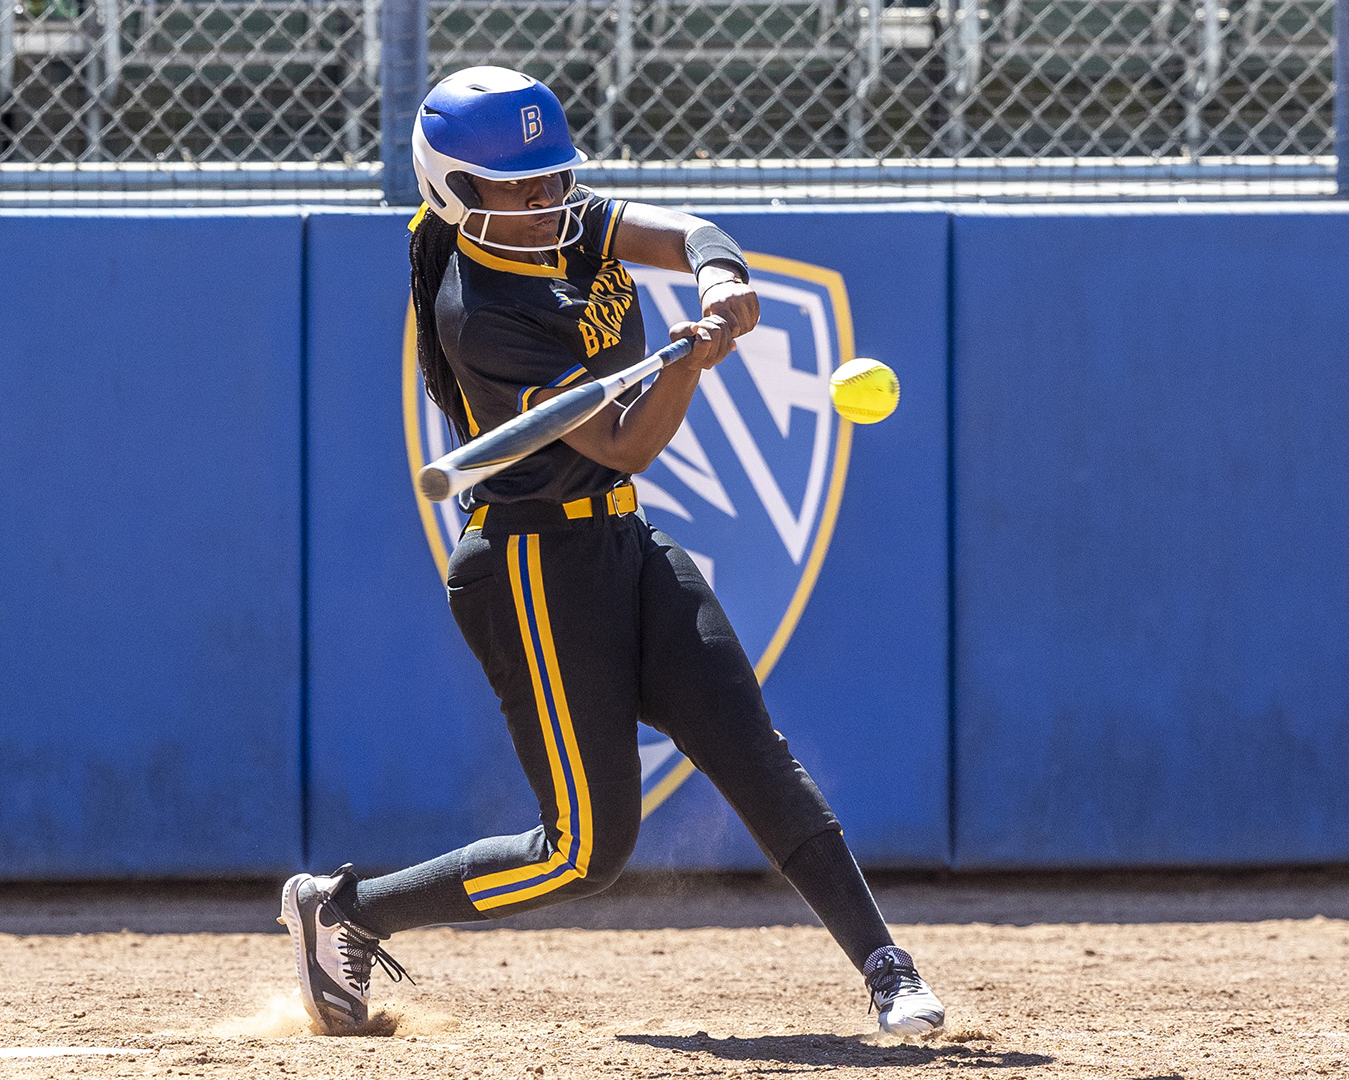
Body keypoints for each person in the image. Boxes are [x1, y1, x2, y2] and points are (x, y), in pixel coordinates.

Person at [279, 66, 944, 1040]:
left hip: (623, 539)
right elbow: (625, 442)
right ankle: (348, 912)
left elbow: (687, 234)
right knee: (585, 853)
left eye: (556, 175)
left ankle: (888, 968)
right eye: (524, 185)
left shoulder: (568, 221)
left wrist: (719, 277)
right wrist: (690, 364)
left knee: (750, 749)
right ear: (457, 191)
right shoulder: (480, 312)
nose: (552, 196)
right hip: (530, 568)